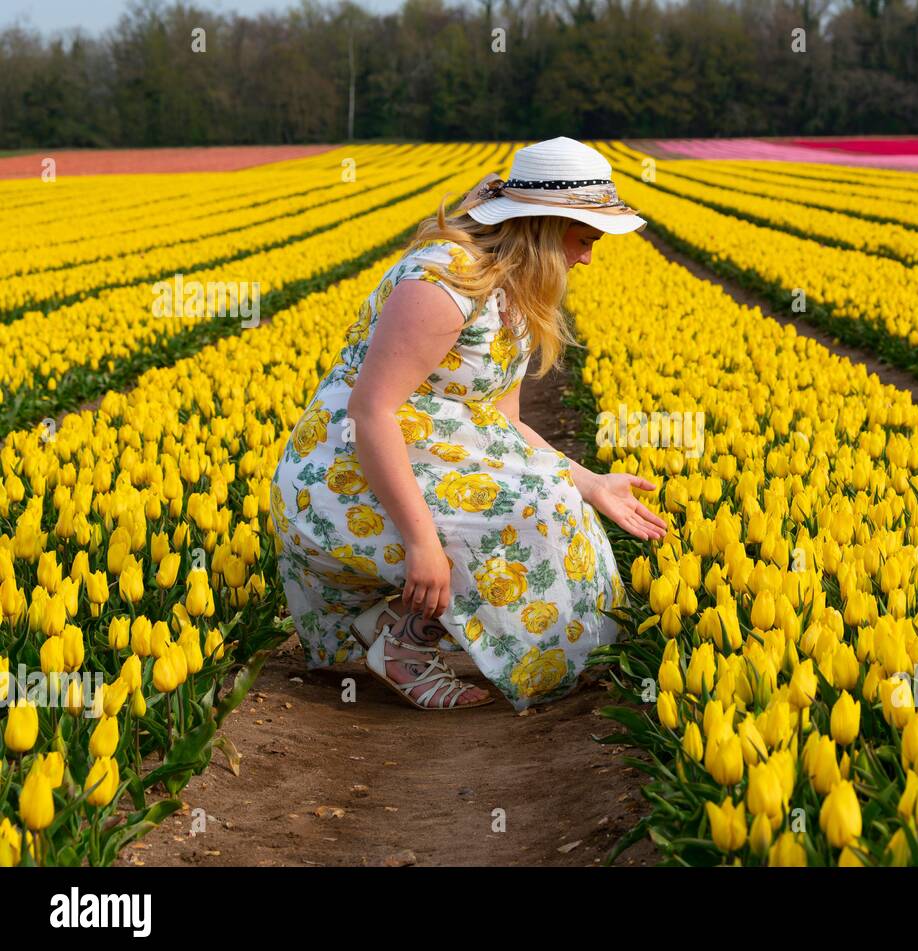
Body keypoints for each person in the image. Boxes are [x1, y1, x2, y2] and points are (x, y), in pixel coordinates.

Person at [270, 137, 668, 712]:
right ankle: (403, 642)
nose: (587, 257)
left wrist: (589, 481)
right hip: (343, 472)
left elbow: (504, 428)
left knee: (559, 502)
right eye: (585, 238)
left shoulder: (516, 292)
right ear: (543, 226)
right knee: (533, 507)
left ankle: (399, 625)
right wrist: (422, 541)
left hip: (427, 455)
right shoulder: (444, 283)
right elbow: (370, 411)